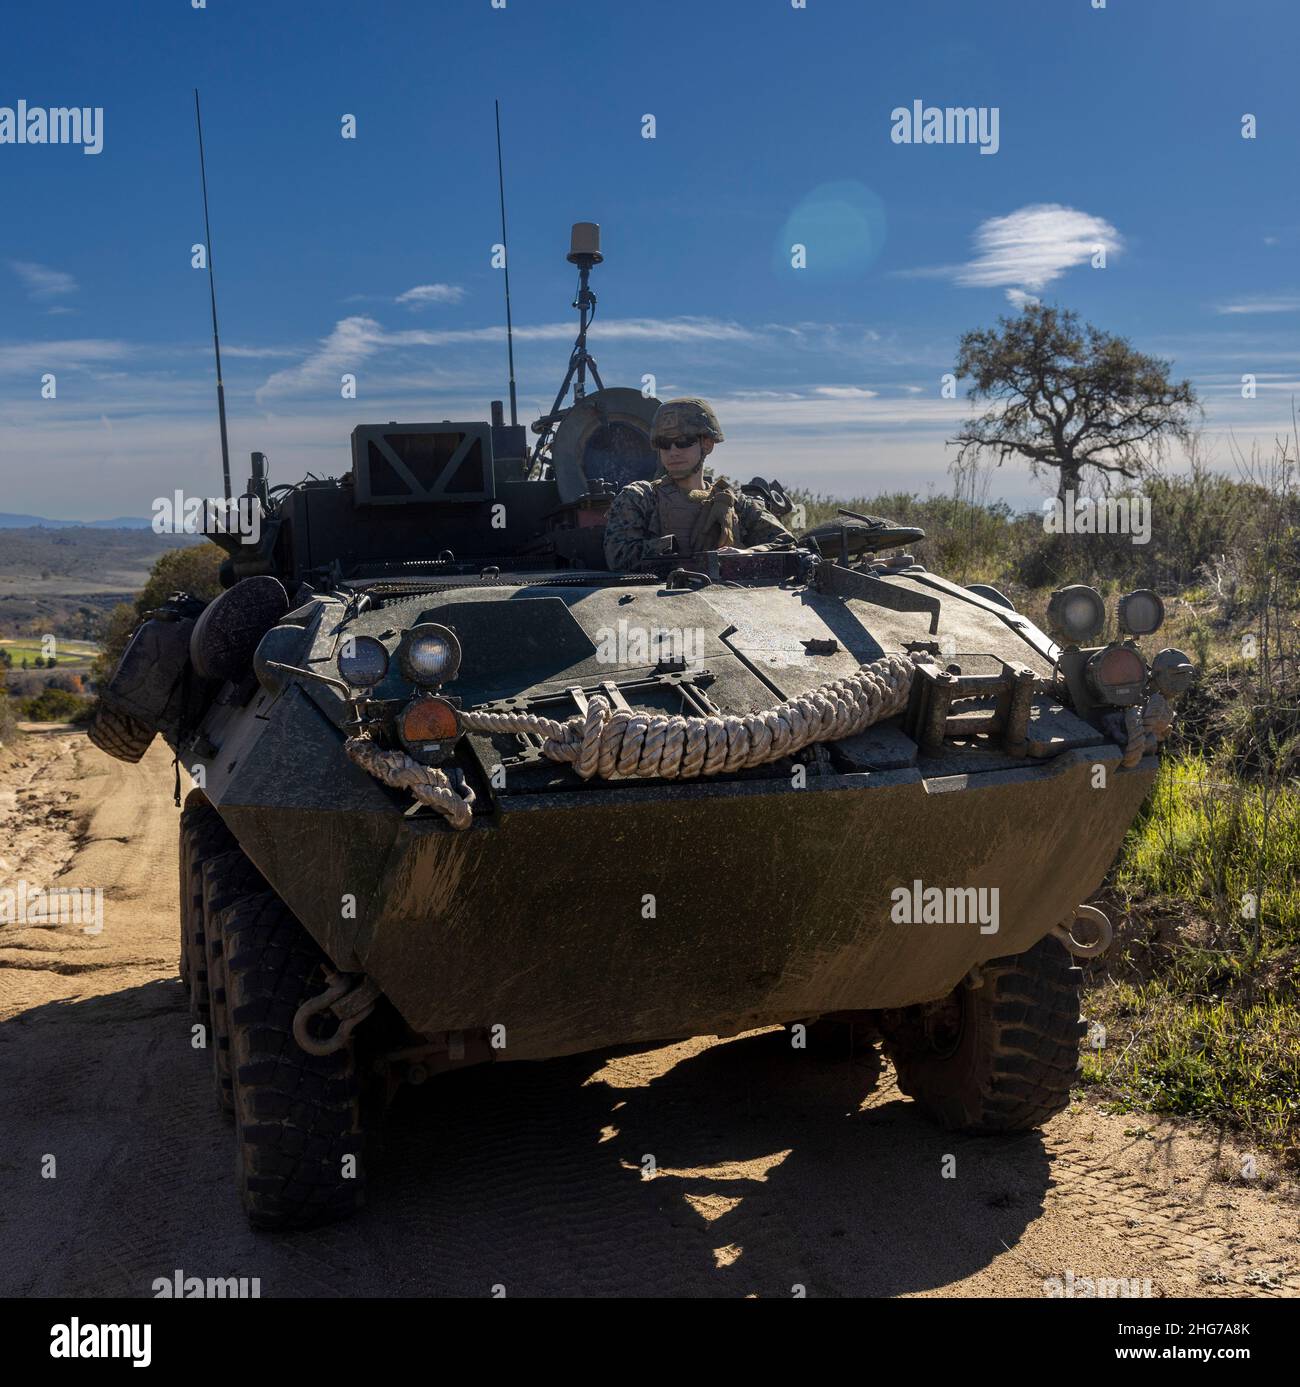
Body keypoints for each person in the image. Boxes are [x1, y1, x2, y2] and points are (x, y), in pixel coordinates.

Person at [602, 398, 795, 571]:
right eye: (664, 444)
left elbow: (786, 543)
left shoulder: (735, 502)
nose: (673, 451)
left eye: (683, 442)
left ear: (707, 444)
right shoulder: (640, 497)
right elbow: (619, 557)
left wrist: (746, 555)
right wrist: (678, 553)